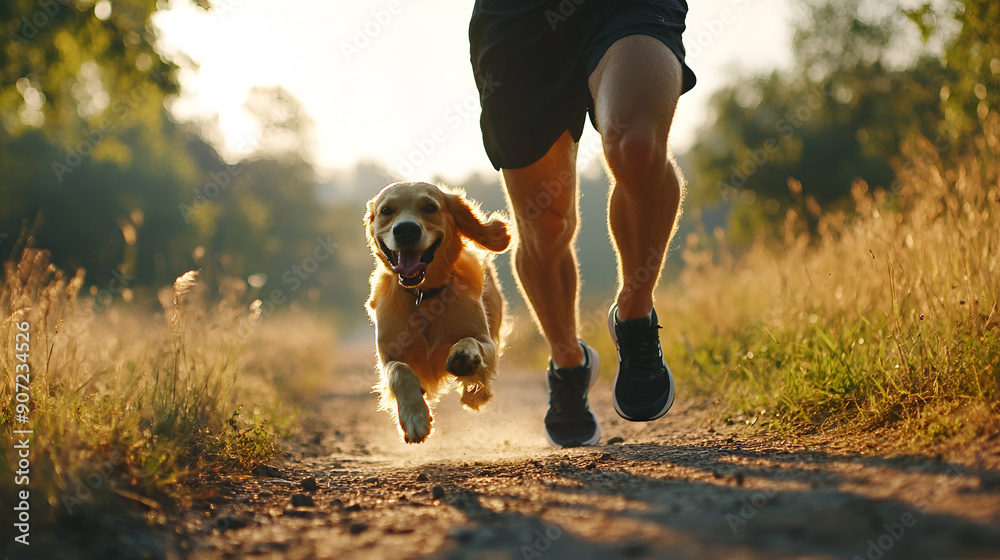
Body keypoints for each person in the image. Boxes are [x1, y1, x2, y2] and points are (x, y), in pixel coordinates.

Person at [469, 0, 697, 447]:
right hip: (517, 19)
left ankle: (635, 315)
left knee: (636, 146)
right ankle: (568, 360)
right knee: (544, 228)